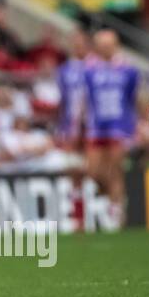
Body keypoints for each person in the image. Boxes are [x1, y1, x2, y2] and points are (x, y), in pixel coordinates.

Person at [82, 29, 140, 228]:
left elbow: (140, 98)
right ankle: (110, 201)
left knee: (115, 171)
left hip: (120, 125)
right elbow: (84, 99)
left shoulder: (128, 69)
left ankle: (116, 210)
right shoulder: (88, 69)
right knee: (94, 172)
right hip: (96, 126)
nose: (105, 48)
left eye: (109, 44)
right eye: (102, 45)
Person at [55, 28, 92, 227]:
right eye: (74, 42)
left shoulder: (95, 67)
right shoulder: (64, 70)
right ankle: (78, 216)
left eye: (81, 42)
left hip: (93, 128)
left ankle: (108, 211)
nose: (78, 46)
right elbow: (63, 102)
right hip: (71, 127)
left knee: (97, 170)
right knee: (75, 171)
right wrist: (62, 128)